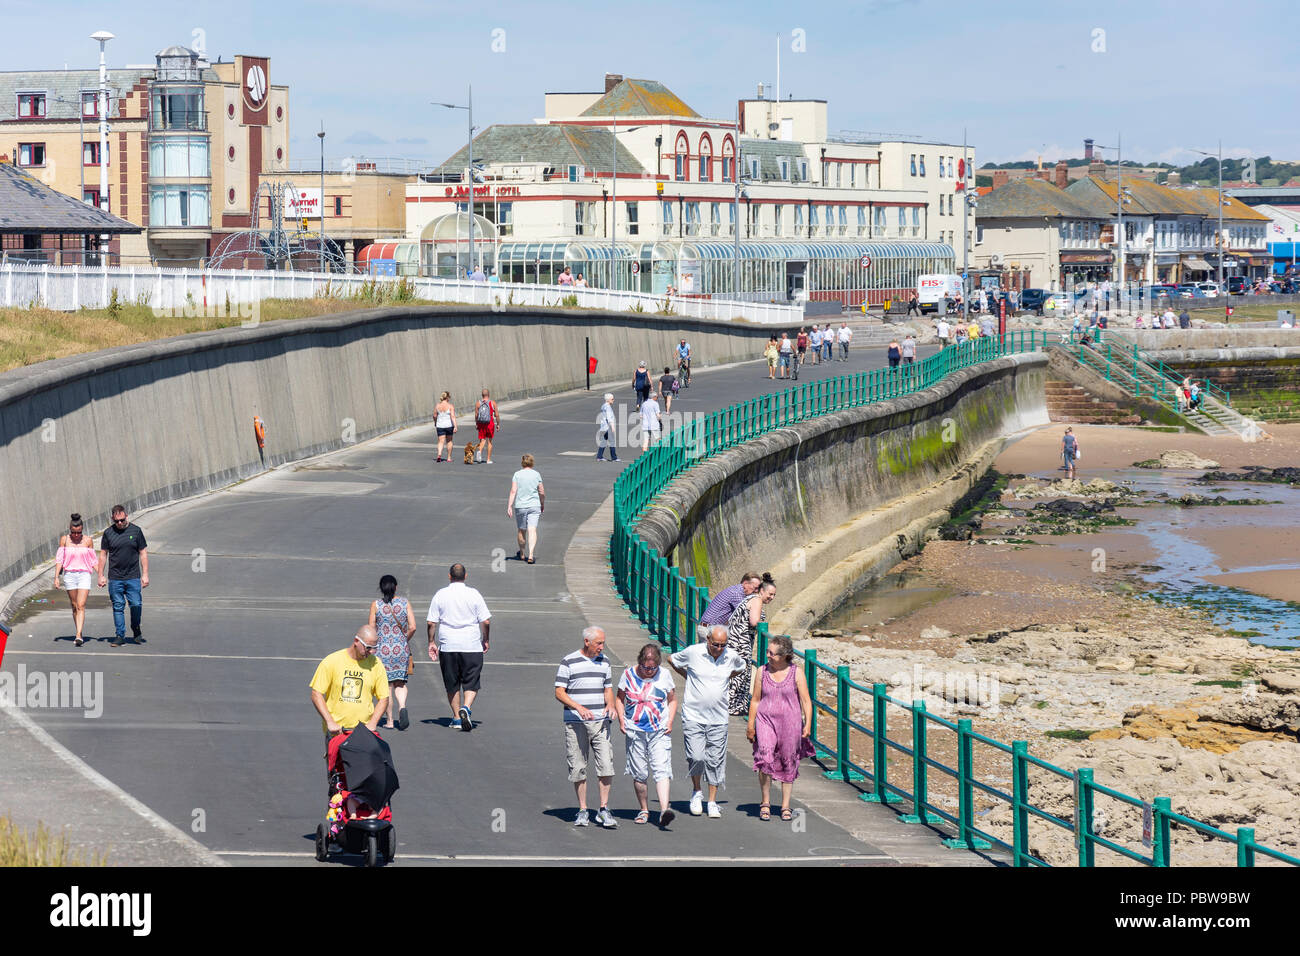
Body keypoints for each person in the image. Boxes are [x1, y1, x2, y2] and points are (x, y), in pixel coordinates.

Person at [669, 625, 748, 819]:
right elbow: (671, 659)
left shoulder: (730, 656)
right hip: (693, 715)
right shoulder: (694, 652)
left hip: (719, 717)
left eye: (723, 645)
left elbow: (741, 667)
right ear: (708, 640)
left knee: (715, 760)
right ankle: (697, 791)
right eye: (716, 644)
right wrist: (688, 676)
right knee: (696, 756)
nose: (719, 648)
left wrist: (726, 678)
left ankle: (712, 801)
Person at [310, 625, 390, 788]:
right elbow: (316, 693)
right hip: (337, 732)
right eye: (368, 647)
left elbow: (383, 698)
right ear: (356, 641)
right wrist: (330, 721)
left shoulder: (376, 664)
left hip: (362, 732)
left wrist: (372, 724)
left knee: (364, 779)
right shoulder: (332, 661)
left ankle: (358, 813)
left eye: (375, 648)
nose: (372, 652)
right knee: (338, 779)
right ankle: (337, 811)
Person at [555, 626, 619, 829]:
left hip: (600, 722)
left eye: (603, 642)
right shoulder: (569, 661)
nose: (602, 647)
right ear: (587, 642)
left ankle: (603, 809)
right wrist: (578, 707)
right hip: (576, 723)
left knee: (606, 765)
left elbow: (607, 688)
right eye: (599, 643)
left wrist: (610, 704)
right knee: (578, 766)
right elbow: (559, 692)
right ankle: (583, 809)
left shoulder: (605, 661)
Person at [747, 634, 814, 822]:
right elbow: (755, 700)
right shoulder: (762, 671)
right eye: (767, 651)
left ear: (784, 655)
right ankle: (765, 802)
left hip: (790, 722)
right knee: (765, 757)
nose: (767, 655)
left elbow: (806, 701)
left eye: (772, 653)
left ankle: (785, 805)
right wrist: (750, 725)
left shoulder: (796, 672)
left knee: (788, 761)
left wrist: (807, 723)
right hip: (765, 719)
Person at [616, 643, 677, 828]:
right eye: (646, 667)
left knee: (661, 769)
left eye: (653, 667)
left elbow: (672, 699)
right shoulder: (628, 675)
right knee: (640, 772)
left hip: (659, 730)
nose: (650, 671)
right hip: (635, 731)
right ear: (640, 662)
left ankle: (665, 810)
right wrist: (621, 720)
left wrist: (670, 721)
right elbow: (619, 699)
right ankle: (644, 809)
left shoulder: (665, 675)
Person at [426, 563, 491, 731]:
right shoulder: (474, 594)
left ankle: (456, 717)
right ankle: (466, 707)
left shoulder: (440, 594)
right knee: (471, 681)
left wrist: (431, 642)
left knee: (452, 682)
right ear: (466, 576)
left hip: (448, 645)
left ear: (449, 576)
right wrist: (486, 638)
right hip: (471, 644)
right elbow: (486, 621)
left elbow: (431, 622)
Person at [725, 572, 776, 716]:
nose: (771, 597)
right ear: (761, 590)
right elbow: (754, 621)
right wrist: (762, 626)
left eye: (774, 595)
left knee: (737, 672)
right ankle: (733, 707)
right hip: (740, 642)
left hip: (737, 640)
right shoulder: (757, 600)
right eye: (770, 594)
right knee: (739, 673)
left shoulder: (750, 598)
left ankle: (733, 705)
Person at [97, 505, 148, 647]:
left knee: (136, 604)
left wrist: (145, 574)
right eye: (116, 521)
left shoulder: (136, 531)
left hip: (133, 576)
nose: (119, 523)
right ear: (112, 519)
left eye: (122, 520)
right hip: (115, 578)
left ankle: (136, 627)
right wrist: (100, 575)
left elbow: (143, 553)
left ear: (127, 516)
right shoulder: (108, 533)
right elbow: (103, 555)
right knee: (118, 607)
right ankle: (120, 635)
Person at [370, 575, 415, 731]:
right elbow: (413, 626)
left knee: (386, 686)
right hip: (401, 648)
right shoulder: (404, 603)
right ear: (396, 587)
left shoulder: (376, 605)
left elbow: (371, 628)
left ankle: (389, 720)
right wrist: (403, 639)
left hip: (382, 649)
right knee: (400, 683)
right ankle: (402, 706)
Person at [54, 513, 96, 647]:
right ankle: (79, 630)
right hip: (69, 575)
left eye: (79, 533)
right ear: (70, 530)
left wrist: (101, 574)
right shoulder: (64, 540)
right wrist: (56, 577)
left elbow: (93, 560)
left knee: (81, 605)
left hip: (84, 574)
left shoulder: (88, 540)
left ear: (82, 530)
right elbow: (59, 560)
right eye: (73, 532)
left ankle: (78, 635)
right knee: (74, 605)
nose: (76, 535)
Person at [696, 571, 761, 641]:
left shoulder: (736, 590)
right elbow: (747, 614)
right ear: (745, 583)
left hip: (707, 628)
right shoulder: (737, 594)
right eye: (755, 588)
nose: (756, 591)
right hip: (709, 630)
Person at [507, 454, 545, 564]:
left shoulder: (517, 474)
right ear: (532, 462)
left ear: (522, 462)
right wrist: (542, 503)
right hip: (534, 505)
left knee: (521, 530)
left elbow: (513, 491)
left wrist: (509, 505)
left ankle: (522, 553)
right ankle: (531, 554)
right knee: (532, 529)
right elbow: (541, 492)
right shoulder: (536, 474)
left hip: (521, 506)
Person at [474, 388, 499, 465]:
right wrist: (498, 424)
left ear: (482, 395)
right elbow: (497, 415)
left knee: (482, 440)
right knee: (489, 441)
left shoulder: (478, 403)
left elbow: (476, 415)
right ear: (488, 395)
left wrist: (477, 423)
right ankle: (488, 459)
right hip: (490, 423)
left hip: (481, 423)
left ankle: (480, 451)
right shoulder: (492, 403)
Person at [596, 392, 620, 462]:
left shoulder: (603, 406)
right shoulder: (608, 407)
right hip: (607, 427)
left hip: (603, 427)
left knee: (603, 442)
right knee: (612, 442)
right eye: (612, 399)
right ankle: (614, 458)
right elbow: (609, 418)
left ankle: (599, 456)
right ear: (608, 400)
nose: (613, 400)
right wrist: (612, 427)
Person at [434, 391, 457, 463]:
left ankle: (439, 455)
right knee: (449, 441)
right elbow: (452, 416)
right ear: (447, 397)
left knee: (441, 441)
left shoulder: (437, 406)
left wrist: (435, 422)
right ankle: (449, 457)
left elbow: (434, 416)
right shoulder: (450, 406)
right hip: (448, 425)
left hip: (440, 425)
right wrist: (455, 426)